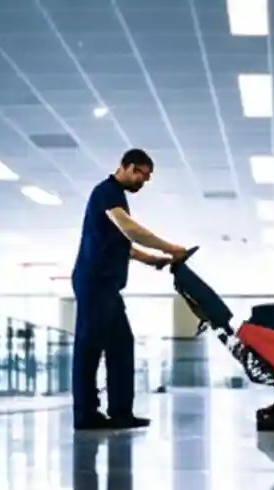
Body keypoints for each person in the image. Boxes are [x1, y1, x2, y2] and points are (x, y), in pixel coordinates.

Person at [71, 149, 188, 430]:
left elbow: (122, 245)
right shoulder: (107, 191)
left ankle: (121, 412)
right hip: (94, 281)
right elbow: (131, 230)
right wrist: (170, 247)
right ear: (128, 166)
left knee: (121, 344)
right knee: (90, 348)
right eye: (142, 175)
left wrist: (153, 260)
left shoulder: (116, 197)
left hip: (107, 285)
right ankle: (85, 415)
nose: (143, 182)